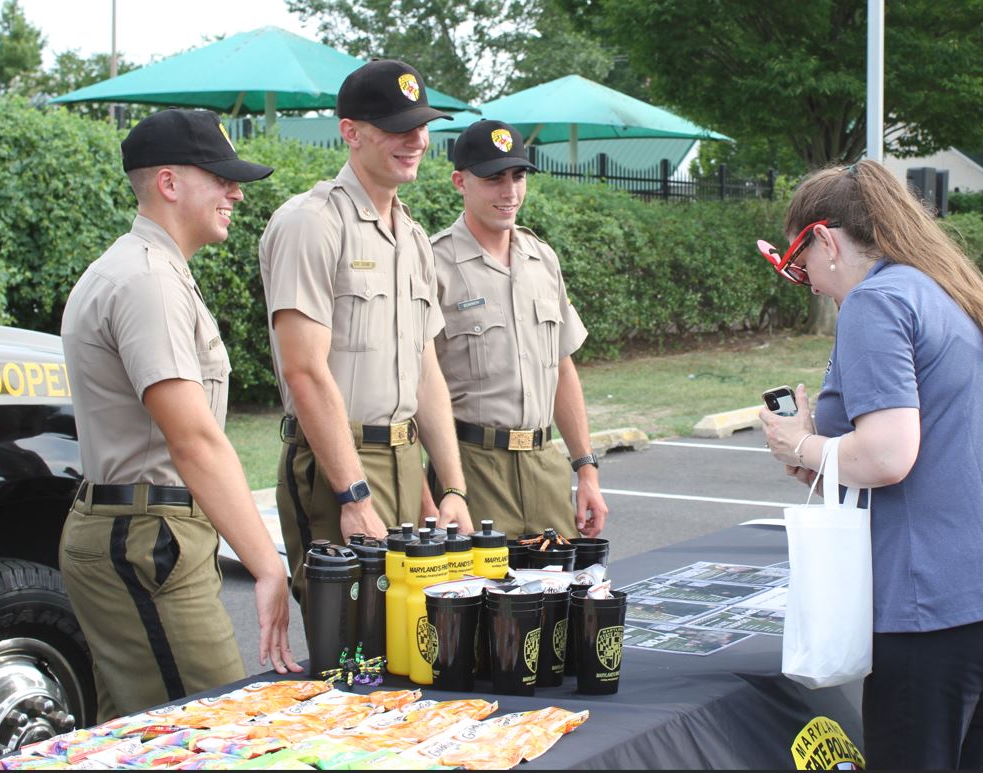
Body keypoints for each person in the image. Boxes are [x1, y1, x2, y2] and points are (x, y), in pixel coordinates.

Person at [757, 159, 983, 770]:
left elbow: (889, 456)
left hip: (936, 610)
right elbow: (939, 447)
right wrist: (823, 459)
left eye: (798, 262)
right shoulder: (947, 289)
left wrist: (800, 445)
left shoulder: (876, 302)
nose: (804, 279)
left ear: (826, 240)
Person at [59, 109, 302, 723]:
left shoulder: (147, 269)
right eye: (221, 177)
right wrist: (266, 566)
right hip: (147, 538)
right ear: (169, 184)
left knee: (139, 737)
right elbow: (193, 441)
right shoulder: (147, 280)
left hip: (143, 531)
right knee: (219, 730)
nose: (236, 192)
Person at [258, 59, 471, 606]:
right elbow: (303, 370)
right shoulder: (312, 222)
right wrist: (352, 494)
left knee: (407, 641)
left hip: (403, 465)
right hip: (338, 467)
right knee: (349, 650)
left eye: (422, 126)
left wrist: (447, 488)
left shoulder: (414, 237)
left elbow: (425, 371)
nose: (417, 139)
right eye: (398, 127)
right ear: (350, 132)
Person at [425, 119, 607, 539]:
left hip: (545, 466)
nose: (509, 192)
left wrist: (587, 470)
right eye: (493, 178)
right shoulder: (432, 264)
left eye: (518, 175)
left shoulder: (542, 259)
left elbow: (562, 368)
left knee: (558, 594)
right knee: (478, 600)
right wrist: (429, 496)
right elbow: (415, 382)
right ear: (460, 182)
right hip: (472, 470)